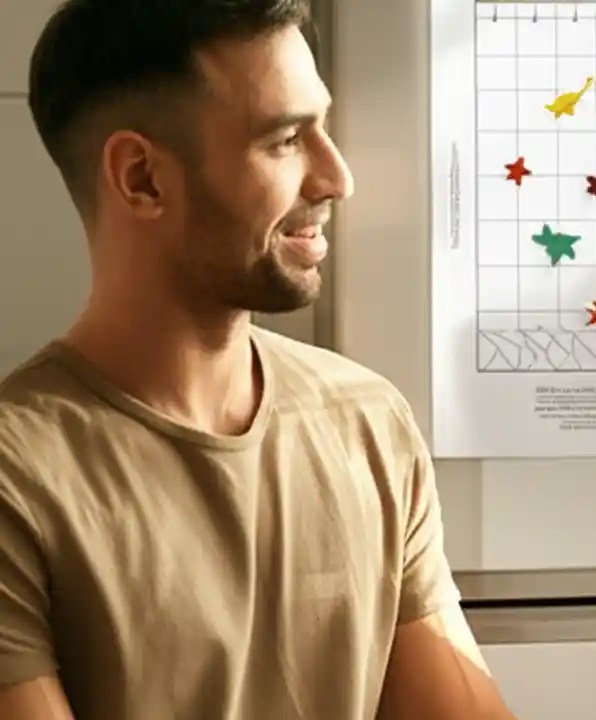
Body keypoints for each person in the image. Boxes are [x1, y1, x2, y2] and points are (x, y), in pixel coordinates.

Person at [0, 2, 515, 718]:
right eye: (284, 140)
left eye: (322, 128)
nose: (337, 178)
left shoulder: (367, 421)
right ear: (142, 178)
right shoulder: (16, 478)